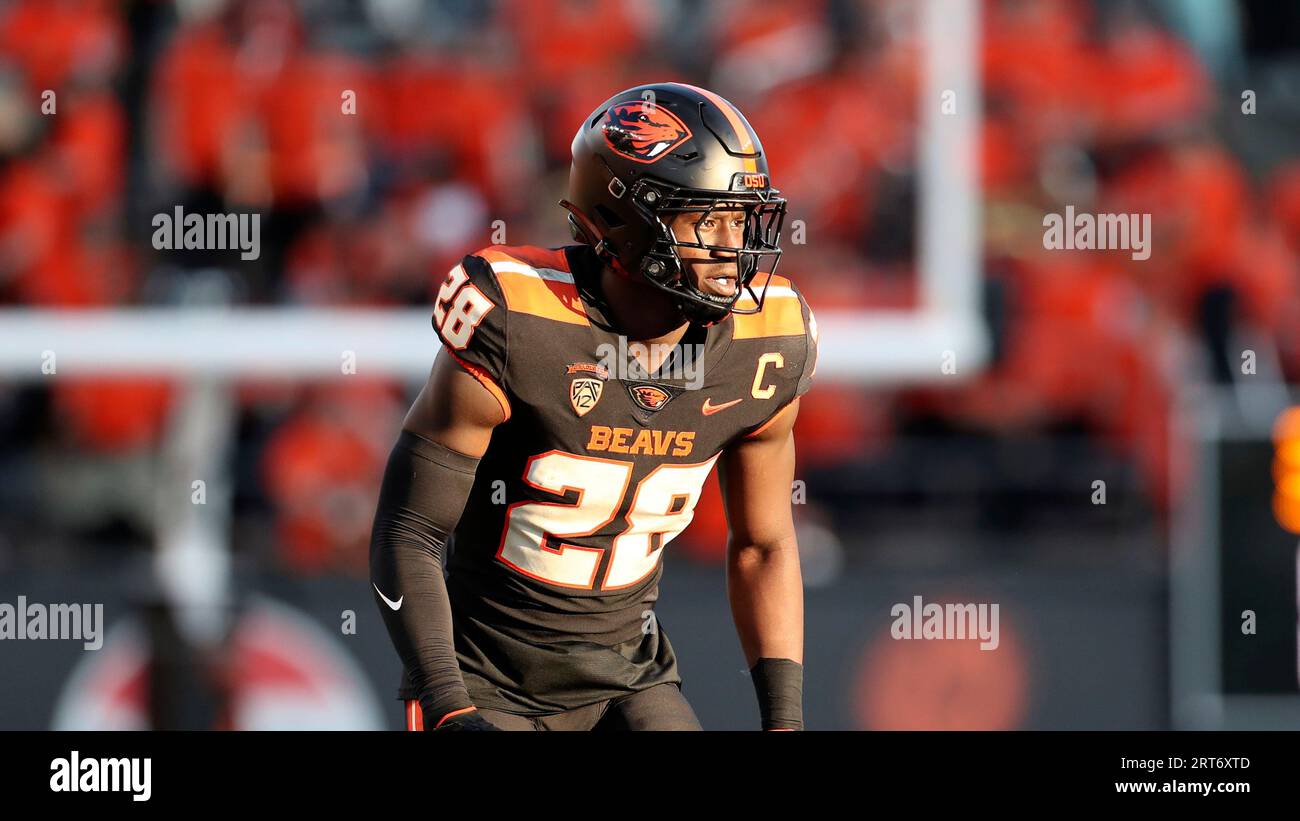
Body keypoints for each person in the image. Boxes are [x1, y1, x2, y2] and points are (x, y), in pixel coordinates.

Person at [370, 83, 817, 730]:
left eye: (741, 216)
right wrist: (447, 701)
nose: (732, 246)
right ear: (622, 221)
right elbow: (407, 529)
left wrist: (785, 720)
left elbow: (763, 545)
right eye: (705, 219)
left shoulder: (762, 346)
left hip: (627, 683)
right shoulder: (523, 321)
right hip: (488, 684)